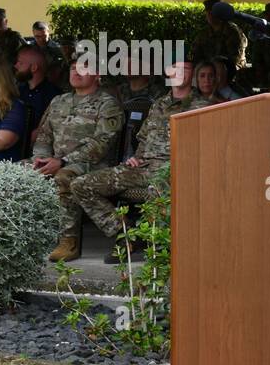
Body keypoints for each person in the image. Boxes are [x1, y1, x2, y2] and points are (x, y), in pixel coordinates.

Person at [70, 61, 214, 259]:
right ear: (168, 73)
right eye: (175, 68)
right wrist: (135, 158)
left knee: (157, 192)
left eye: (186, 69)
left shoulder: (204, 107)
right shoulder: (158, 104)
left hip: (175, 170)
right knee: (81, 184)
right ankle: (126, 236)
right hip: (143, 167)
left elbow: (208, 146)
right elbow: (143, 137)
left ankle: (160, 247)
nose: (179, 72)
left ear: (192, 75)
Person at [32, 54, 125, 262]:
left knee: (64, 176)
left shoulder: (107, 104)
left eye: (83, 68)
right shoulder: (58, 101)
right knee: (18, 171)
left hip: (93, 164)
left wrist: (62, 162)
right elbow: (44, 136)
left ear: (97, 74)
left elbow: (101, 144)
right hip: (55, 160)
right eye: (73, 68)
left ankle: (69, 241)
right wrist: (41, 159)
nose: (76, 72)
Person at [14, 44, 61, 156]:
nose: (16, 65)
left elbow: (45, 129)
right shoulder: (17, 91)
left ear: (34, 68)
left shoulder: (54, 96)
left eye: (20, 63)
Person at [190, 0, 248, 81]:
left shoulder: (232, 32)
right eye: (207, 13)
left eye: (212, 13)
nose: (209, 16)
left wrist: (215, 69)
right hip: (209, 71)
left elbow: (235, 60)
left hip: (232, 73)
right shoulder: (204, 33)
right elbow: (195, 54)